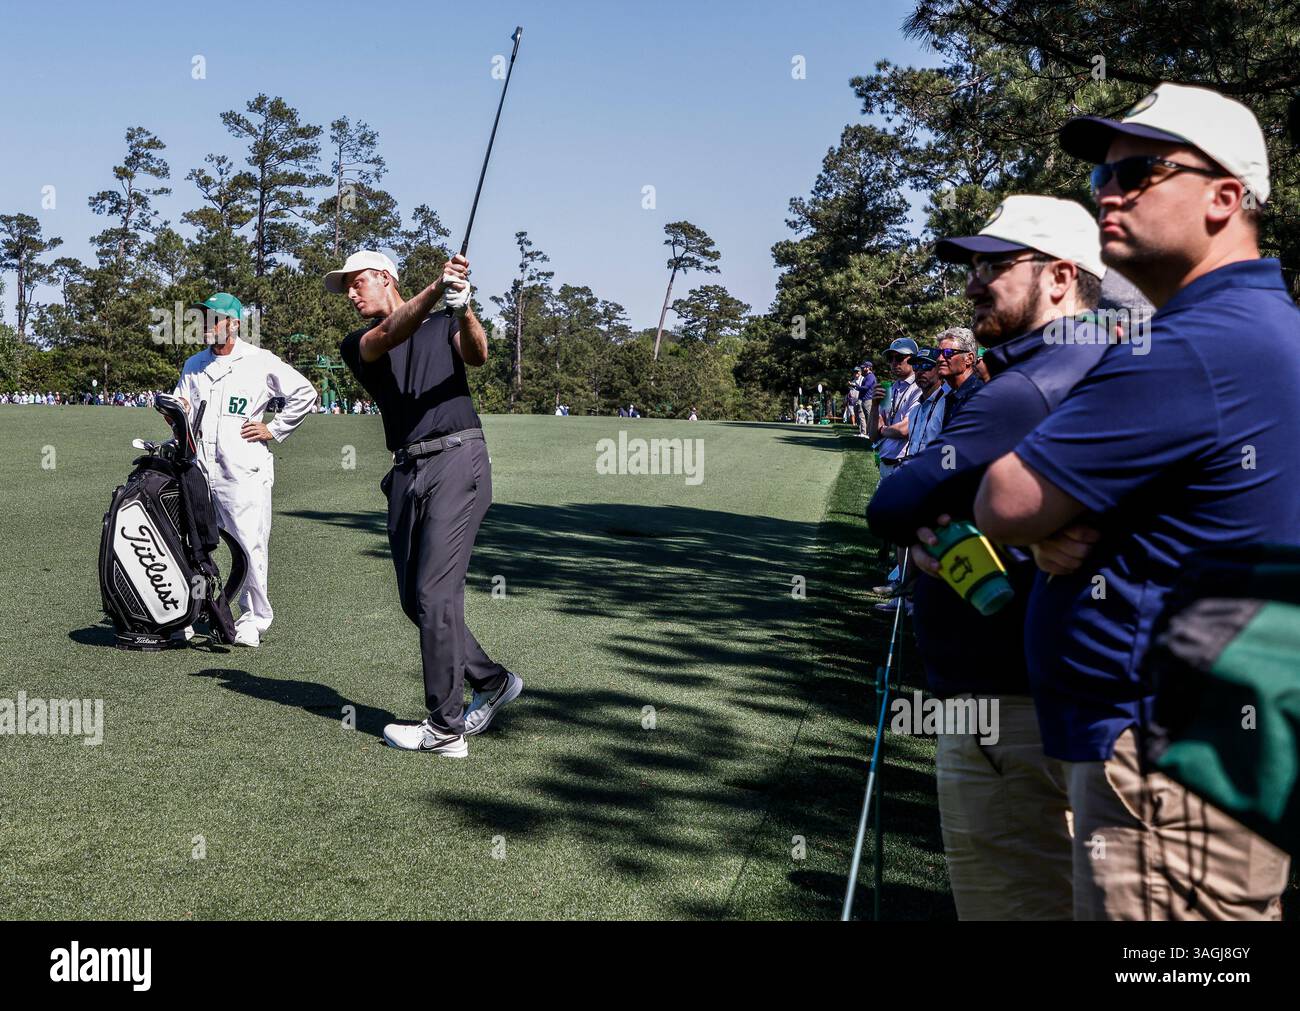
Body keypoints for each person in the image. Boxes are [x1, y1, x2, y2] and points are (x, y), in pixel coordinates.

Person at [975, 83, 1297, 920]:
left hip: (1163, 765)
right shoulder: (1266, 330)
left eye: (1141, 171)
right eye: (1102, 179)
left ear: (1226, 197)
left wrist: (1056, 525)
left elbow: (1003, 499)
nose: (1109, 192)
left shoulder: (1189, 345)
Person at [869, 194, 1109, 919]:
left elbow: (891, 502)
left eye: (996, 265)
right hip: (1040, 698)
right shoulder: (1105, 359)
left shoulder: (1026, 388)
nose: (974, 282)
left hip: (1006, 710)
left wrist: (930, 523)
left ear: (1062, 277)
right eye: (972, 265)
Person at [327, 249, 522, 757]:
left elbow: (477, 355)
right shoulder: (358, 343)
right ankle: (492, 680)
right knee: (416, 600)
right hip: (408, 468)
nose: (350, 293)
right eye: (346, 286)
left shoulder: (443, 322)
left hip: (458, 457)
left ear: (385, 277)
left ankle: (445, 727)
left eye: (357, 282)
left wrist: (463, 307)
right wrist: (439, 288)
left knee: (436, 596)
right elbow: (389, 335)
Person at [174, 292, 318, 647]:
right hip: (198, 466)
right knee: (193, 544)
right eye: (203, 319)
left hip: (243, 470)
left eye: (214, 319)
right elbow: (184, 402)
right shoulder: (194, 364)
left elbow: (305, 392)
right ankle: (190, 613)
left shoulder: (260, 360)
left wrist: (275, 428)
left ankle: (253, 618)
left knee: (248, 543)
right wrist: (174, 409)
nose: (207, 326)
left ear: (234, 324)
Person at [935, 328, 983, 428]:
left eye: (948, 353)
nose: (940, 359)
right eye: (938, 353)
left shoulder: (979, 395)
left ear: (969, 359)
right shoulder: (951, 395)